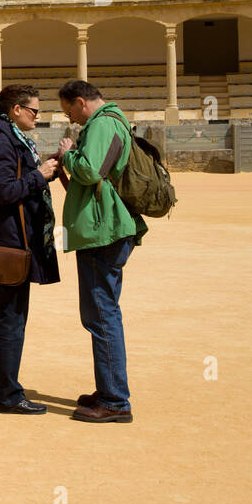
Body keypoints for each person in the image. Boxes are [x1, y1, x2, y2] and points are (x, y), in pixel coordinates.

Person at [0, 84, 61, 415]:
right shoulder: (5, 142)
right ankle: (7, 394)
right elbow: (5, 192)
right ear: (17, 110)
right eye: (34, 110)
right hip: (8, 243)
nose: (38, 116)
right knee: (9, 318)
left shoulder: (4, 138)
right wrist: (41, 175)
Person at [56, 80, 147, 424]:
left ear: (81, 102)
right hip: (104, 228)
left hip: (102, 232)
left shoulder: (103, 123)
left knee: (101, 316)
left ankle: (114, 400)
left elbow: (91, 171)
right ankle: (109, 389)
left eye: (70, 112)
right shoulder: (110, 122)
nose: (73, 120)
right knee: (101, 313)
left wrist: (68, 154)